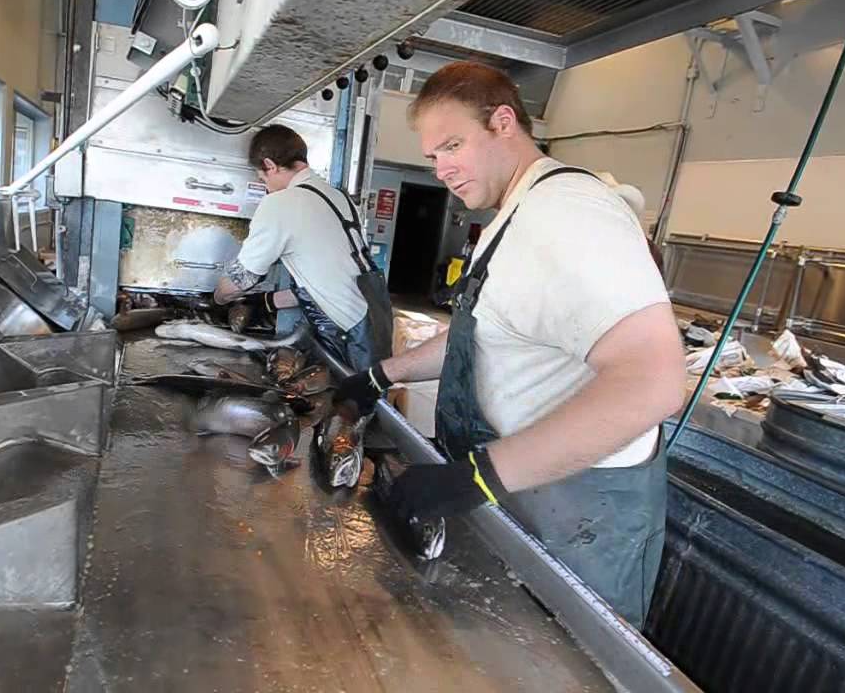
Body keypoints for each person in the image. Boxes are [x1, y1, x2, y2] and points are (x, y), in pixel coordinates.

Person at [334, 62, 686, 629]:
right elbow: (479, 336)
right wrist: (381, 376)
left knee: (572, 661)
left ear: (503, 122)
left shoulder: (569, 212)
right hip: (528, 482)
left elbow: (654, 382)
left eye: (453, 145)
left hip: (580, 507)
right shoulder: (514, 215)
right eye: (432, 157)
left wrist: (477, 478)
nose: (443, 168)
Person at [214, 124, 390, 371]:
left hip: (348, 333)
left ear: (270, 165)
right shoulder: (338, 196)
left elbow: (241, 278)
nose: (265, 185)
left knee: (347, 402)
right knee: (367, 398)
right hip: (376, 321)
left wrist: (217, 298)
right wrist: (265, 301)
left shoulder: (280, 203)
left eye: (262, 177)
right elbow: (325, 283)